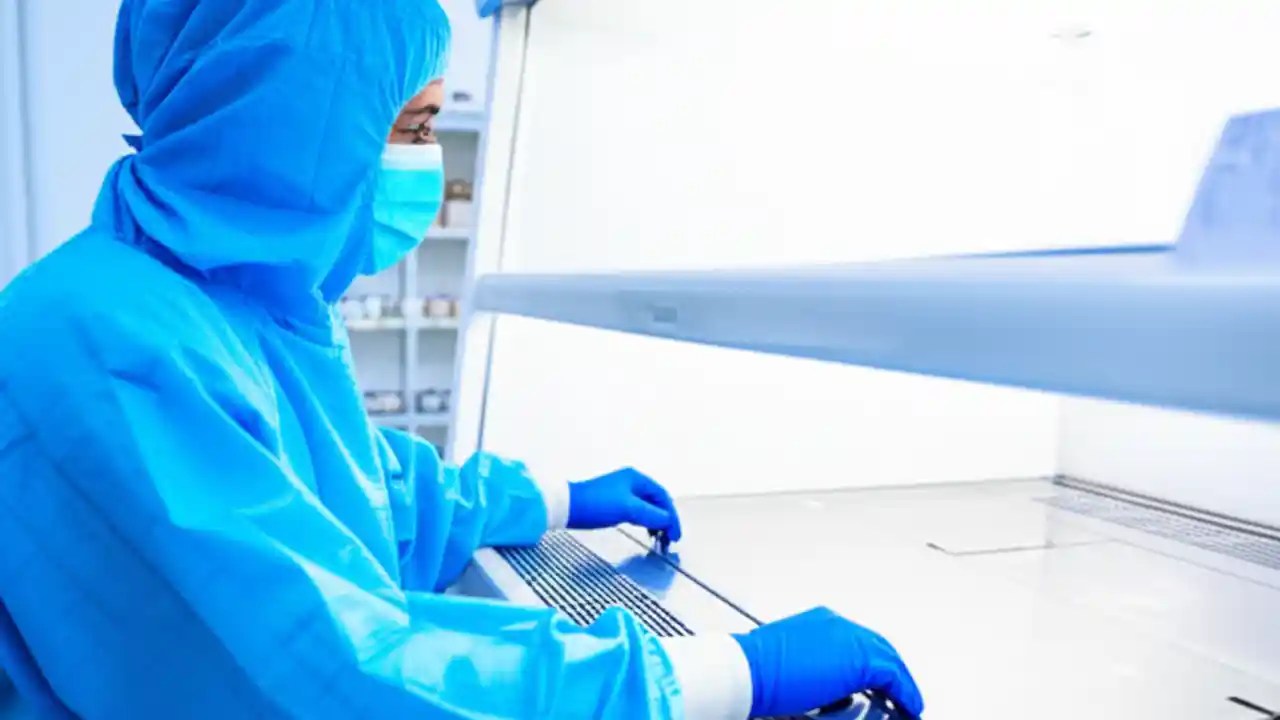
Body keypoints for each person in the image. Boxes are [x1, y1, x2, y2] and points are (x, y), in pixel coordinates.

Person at [0, 1, 924, 718]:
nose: (427, 170)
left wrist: (552, 500)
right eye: (410, 129)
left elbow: (338, 491)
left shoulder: (220, 303)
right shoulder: (102, 346)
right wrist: (723, 675)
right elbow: (339, 676)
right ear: (285, 120)